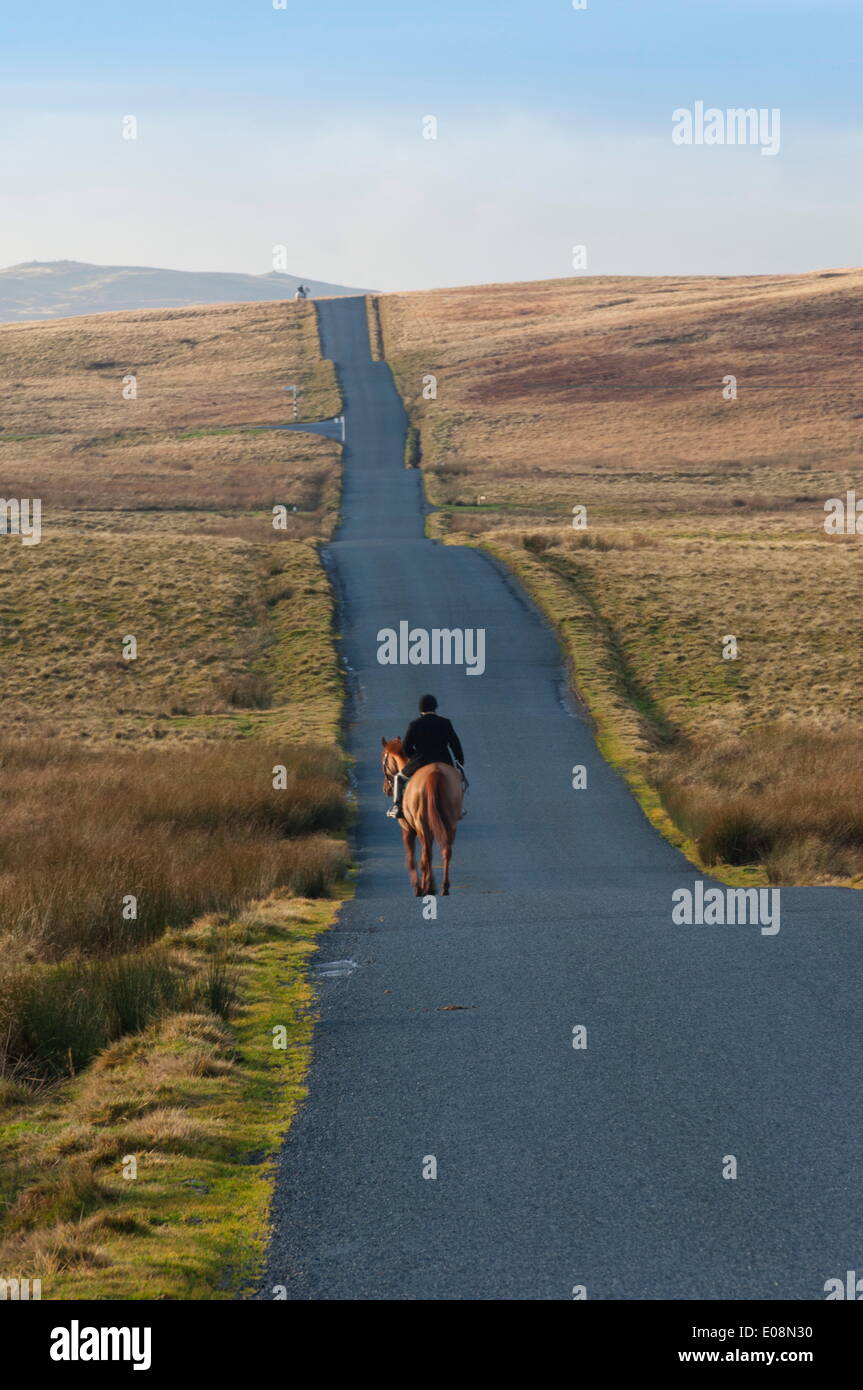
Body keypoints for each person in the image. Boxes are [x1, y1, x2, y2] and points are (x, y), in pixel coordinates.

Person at [387, 694, 465, 819]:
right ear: (435, 707)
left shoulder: (414, 725)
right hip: (444, 761)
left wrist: (415, 757)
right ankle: (459, 807)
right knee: (457, 780)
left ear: (420, 709)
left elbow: (406, 748)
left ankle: (397, 806)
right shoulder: (445, 723)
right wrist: (459, 762)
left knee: (399, 778)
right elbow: (455, 744)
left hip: (421, 761)